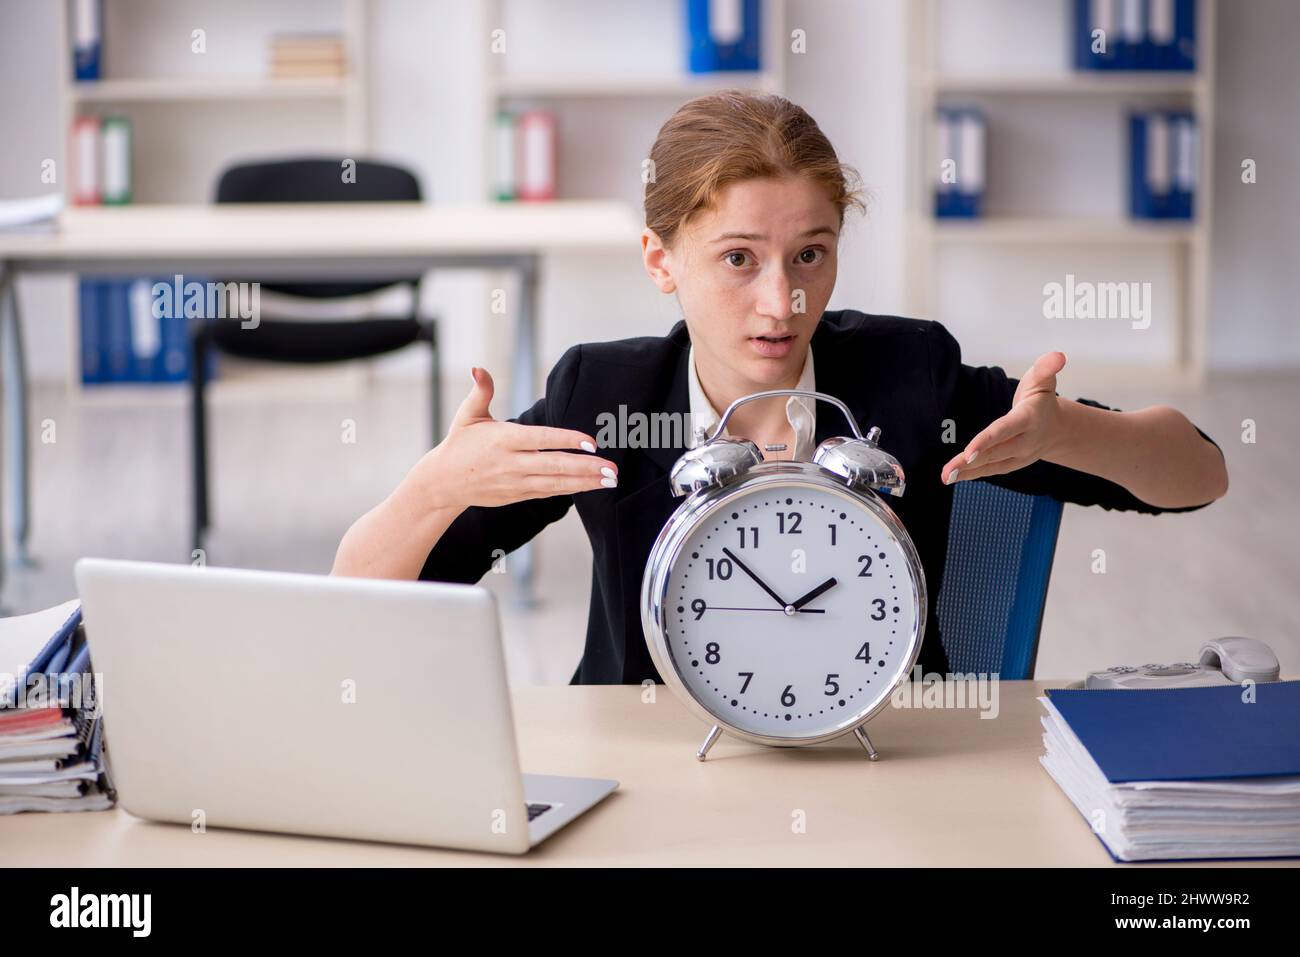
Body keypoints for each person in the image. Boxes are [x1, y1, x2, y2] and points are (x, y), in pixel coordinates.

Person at [332, 90, 1228, 684]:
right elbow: (362, 600)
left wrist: (1066, 432)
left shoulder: (911, 373)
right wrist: (434, 487)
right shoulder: (604, 396)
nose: (782, 301)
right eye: (737, 259)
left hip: (887, 762)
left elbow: (1199, 477)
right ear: (660, 260)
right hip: (650, 764)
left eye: (812, 254)